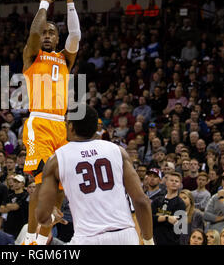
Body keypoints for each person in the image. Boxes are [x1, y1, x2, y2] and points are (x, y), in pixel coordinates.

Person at [36, 105, 154, 245]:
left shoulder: (56, 160)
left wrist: (51, 217)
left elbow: (42, 216)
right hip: (125, 235)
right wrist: (148, 241)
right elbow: (141, 200)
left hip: (87, 238)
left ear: (71, 126)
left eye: (66, 123)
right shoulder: (118, 151)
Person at [21, 0, 81, 245]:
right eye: (45, 32)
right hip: (39, 124)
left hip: (60, 125)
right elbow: (34, 32)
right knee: (42, 183)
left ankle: (43, 241)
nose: (46, 35)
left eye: (51, 32)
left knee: (58, 191)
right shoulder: (32, 55)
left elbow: (76, 34)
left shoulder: (65, 58)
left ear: (57, 39)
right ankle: (30, 240)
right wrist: (44, 4)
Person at [151, 172, 186, 245]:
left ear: (179, 185)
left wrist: (158, 218)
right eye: (171, 180)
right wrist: (167, 218)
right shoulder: (157, 200)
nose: (174, 183)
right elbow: (150, 218)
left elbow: (179, 227)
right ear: (166, 183)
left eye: (176, 181)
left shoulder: (181, 204)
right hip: (154, 239)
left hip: (171, 241)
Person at [0, 174, 29, 238]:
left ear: (23, 184)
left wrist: (7, 206)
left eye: (18, 182)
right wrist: (11, 207)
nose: (15, 184)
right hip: (9, 226)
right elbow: (1, 209)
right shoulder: (9, 195)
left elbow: (16, 207)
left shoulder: (26, 195)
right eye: (14, 182)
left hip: (21, 226)